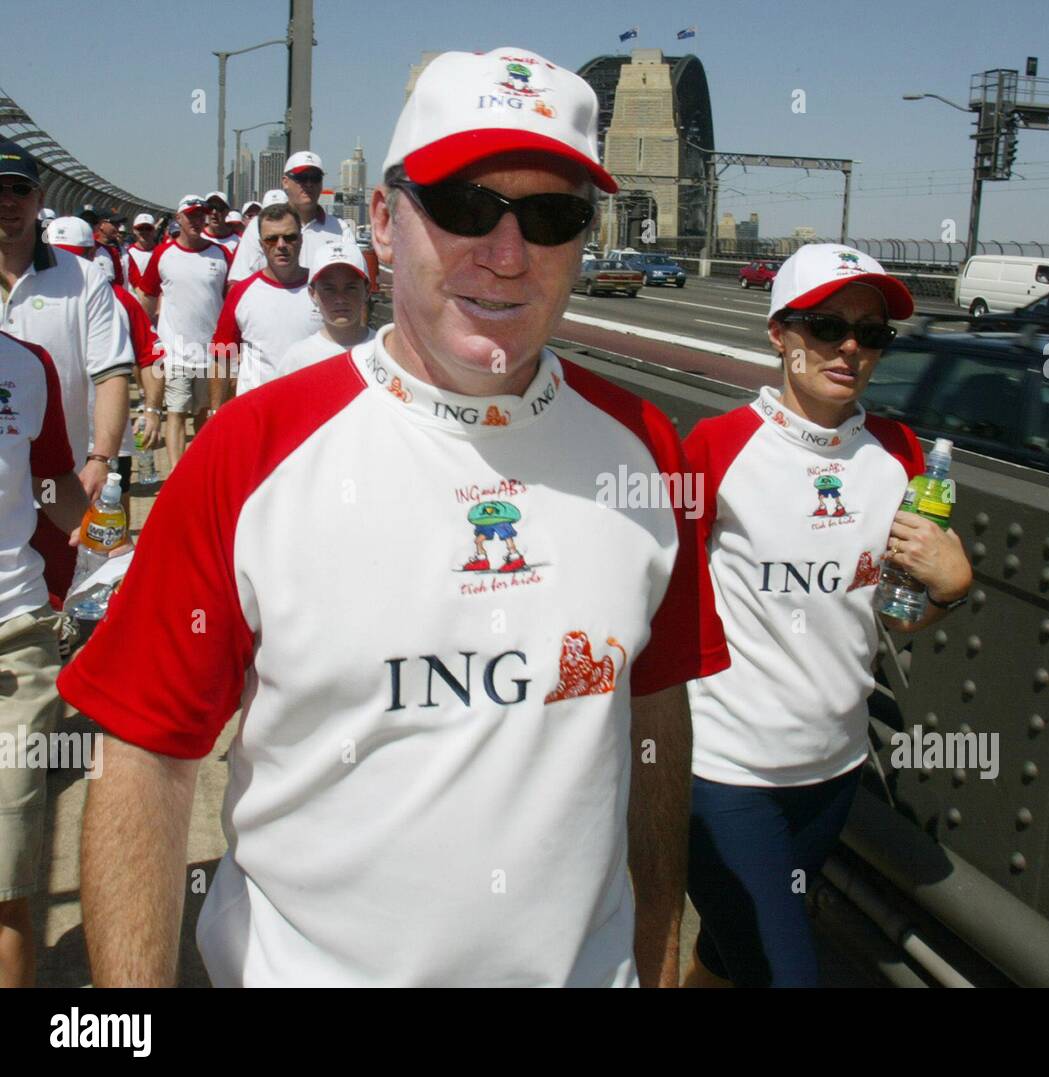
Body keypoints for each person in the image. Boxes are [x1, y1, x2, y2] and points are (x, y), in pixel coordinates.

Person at [62, 45, 729, 989]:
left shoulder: (647, 452)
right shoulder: (253, 452)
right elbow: (146, 762)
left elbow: (657, 725)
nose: (506, 254)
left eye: (550, 216)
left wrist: (657, 960)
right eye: (463, 205)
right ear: (382, 219)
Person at [681, 243, 973, 988]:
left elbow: (898, 617)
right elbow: (659, 600)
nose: (850, 346)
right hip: (724, 771)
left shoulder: (900, 456)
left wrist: (949, 589)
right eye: (826, 324)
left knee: (726, 951)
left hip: (833, 771)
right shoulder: (716, 448)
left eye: (871, 333)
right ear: (781, 332)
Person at [0, 140, 133, 608]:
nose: (7, 201)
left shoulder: (84, 278)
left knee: (64, 625)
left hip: (61, 492)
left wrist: (101, 458)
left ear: (40, 201)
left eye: (20, 189)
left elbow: (112, 372)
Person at [0, 330, 89, 987]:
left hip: (15, 638)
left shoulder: (26, 367)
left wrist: (105, 543)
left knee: (3, 885)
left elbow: (53, 484)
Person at [47, 216, 166, 523]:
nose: (65, 261)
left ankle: (113, 569)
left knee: (112, 519)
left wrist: (152, 409)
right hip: (50, 439)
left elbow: (149, 357)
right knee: (50, 515)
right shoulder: (32, 294)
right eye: (57, 252)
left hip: (108, 439)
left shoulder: (119, 300)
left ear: (92, 254)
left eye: (74, 254)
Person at [137, 195, 231, 470]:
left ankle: (198, 468)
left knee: (204, 416)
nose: (196, 220)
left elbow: (230, 298)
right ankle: (178, 471)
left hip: (211, 354)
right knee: (176, 413)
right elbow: (148, 295)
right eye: (190, 215)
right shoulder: (163, 254)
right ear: (179, 218)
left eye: (200, 214)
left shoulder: (221, 254)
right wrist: (148, 334)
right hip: (175, 350)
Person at [208, 202, 322, 404]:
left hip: (310, 408)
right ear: (261, 245)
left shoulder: (323, 290)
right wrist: (216, 411)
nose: (281, 245)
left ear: (301, 240)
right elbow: (222, 355)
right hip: (256, 410)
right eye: (271, 239)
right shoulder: (241, 292)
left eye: (289, 237)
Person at [226, 152, 347, 284]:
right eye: (302, 178)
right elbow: (238, 281)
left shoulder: (340, 228)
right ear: (285, 182)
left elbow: (356, 284)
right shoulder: (259, 225)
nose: (309, 184)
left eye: (315, 178)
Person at [279, 241, 375, 376]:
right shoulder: (297, 359)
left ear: (367, 290)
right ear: (312, 294)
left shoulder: (385, 351)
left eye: (350, 288)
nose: (340, 299)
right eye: (329, 289)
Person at [124, 212, 158, 293]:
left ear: (154, 231)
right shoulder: (127, 253)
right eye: (140, 228)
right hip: (133, 301)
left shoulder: (161, 253)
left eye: (148, 228)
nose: (144, 232)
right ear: (134, 230)